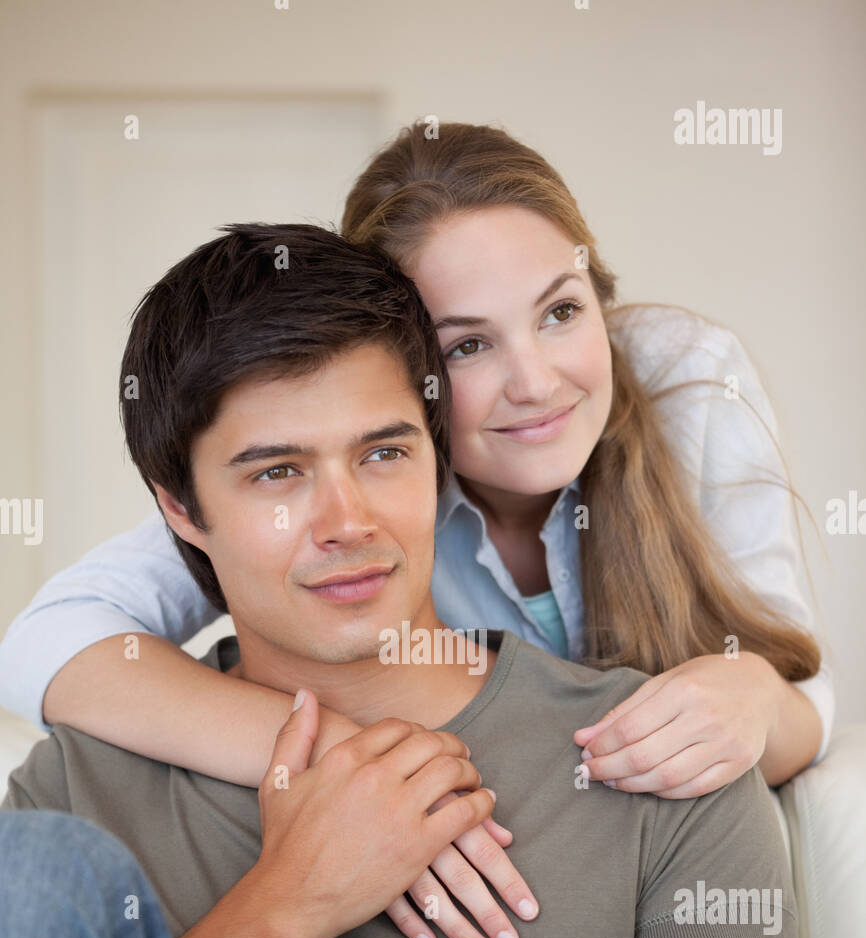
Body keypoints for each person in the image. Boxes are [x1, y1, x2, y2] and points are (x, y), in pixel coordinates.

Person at [1, 222, 817, 938]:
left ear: (438, 464)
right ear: (180, 511)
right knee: (37, 876)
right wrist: (290, 899)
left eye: (383, 453)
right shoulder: (78, 788)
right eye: (276, 473)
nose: (346, 521)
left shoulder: (651, 757)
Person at [0, 124, 832, 853]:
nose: (536, 383)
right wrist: (321, 748)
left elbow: (795, 690)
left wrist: (756, 694)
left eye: (560, 313)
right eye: (468, 347)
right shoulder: (358, 486)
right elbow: (48, 643)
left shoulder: (685, 377)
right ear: (404, 374)